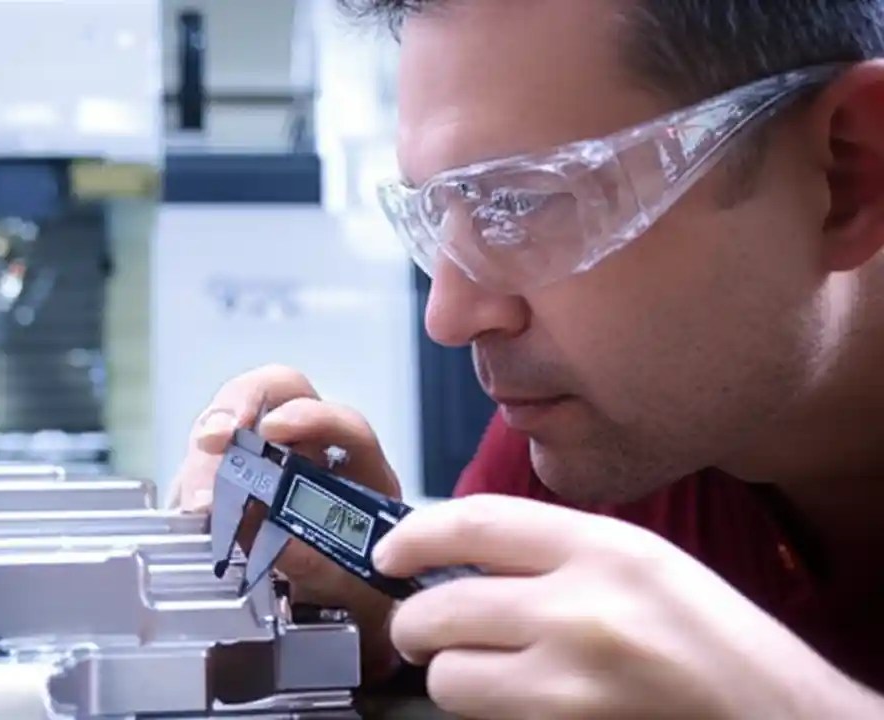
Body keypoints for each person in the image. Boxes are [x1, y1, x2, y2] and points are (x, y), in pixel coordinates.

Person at [167, 1, 884, 717]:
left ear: (846, 177)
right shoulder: (603, 447)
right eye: (435, 213)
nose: (446, 318)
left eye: (517, 202)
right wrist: (387, 614)